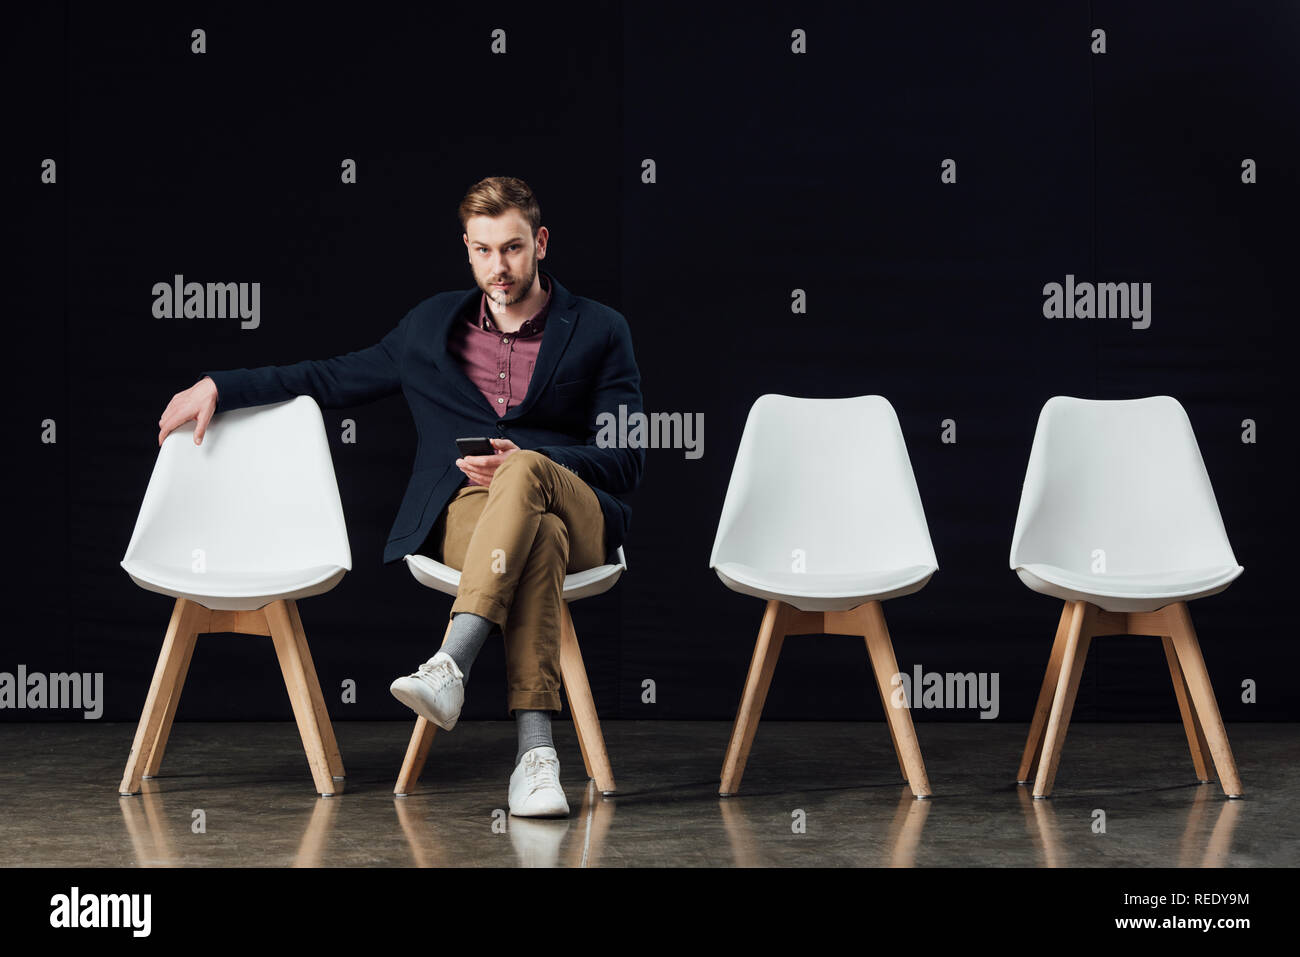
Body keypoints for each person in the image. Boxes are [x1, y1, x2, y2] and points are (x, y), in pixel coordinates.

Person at [155, 175, 646, 817]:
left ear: (542, 243)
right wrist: (222, 383)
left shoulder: (600, 329)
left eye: (514, 248)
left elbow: (627, 457)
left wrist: (536, 460)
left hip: (581, 511)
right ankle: (536, 759)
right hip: (473, 518)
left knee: (530, 477)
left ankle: (449, 665)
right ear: (467, 248)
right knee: (538, 540)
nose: (499, 267)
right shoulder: (429, 329)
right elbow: (330, 376)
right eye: (483, 250)